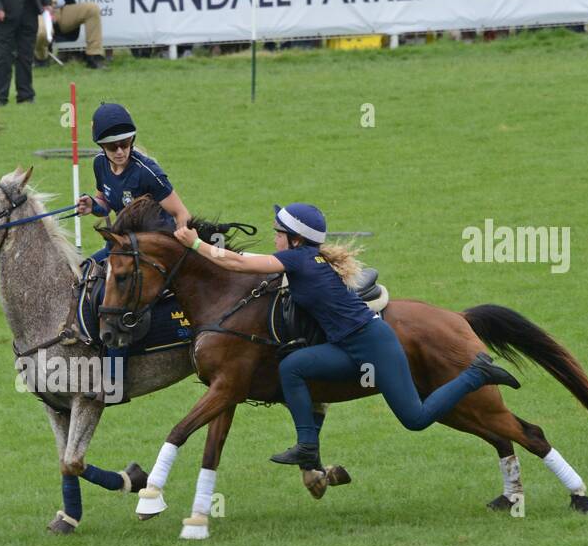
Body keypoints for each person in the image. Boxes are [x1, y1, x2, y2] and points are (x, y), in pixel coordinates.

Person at [172, 202, 521, 480]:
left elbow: (236, 262)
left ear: (294, 239)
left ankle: (477, 373)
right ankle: (307, 448)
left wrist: (196, 244)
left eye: (279, 232)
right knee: (292, 366)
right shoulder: (306, 257)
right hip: (349, 344)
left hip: (373, 343)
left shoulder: (297, 259)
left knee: (415, 418)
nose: (274, 237)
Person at [75, 103, 192, 401]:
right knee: (86, 271)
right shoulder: (100, 165)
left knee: (120, 297)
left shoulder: (147, 173)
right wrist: (93, 205)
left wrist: (182, 246)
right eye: (113, 146)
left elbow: (181, 213)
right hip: (122, 244)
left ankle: (114, 380)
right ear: (101, 147)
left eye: (125, 144)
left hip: (154, 248)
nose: (120, 151)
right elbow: (106, 199)